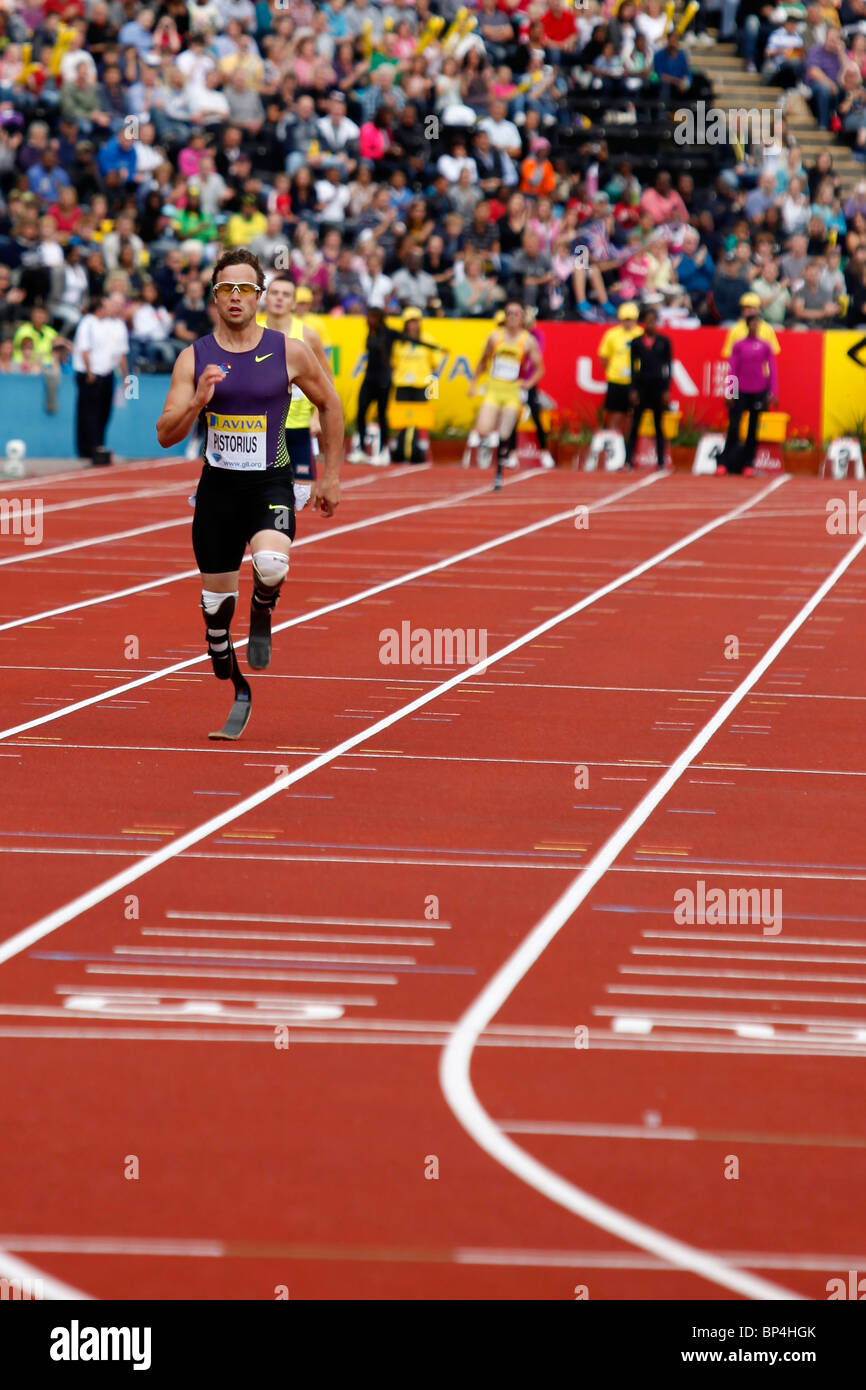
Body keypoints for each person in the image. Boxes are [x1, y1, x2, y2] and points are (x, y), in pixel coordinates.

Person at [155, 248, 343, 740]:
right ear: (214, 296)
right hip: (217, 491)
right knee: (216, 608)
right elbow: (165, 434)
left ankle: (264, 605)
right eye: (225, 289)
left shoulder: (290, 351)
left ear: (259, 296)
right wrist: (198, 401)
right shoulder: (193, 357)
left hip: (270, 482)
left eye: (244, 289)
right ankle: (221, 643)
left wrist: (331, 477)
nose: (235, 297)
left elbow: (331, 403)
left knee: (273, 565)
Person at [263, 274, 333, 498]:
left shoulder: (308, 335)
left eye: (286, 295)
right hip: (263, 427)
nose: (279, 299)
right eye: (274, 293)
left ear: (293, 303)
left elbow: (327, 379)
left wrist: (317, 417)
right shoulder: (251, 331)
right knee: (264, 494)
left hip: (299, 426)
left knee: (304, 494)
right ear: (265, 297)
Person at [463, 299, 544, 484]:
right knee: (483, 430)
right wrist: (473, 384)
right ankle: (492, 451)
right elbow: (483, 361)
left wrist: (528, 383)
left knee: (505, 433)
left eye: (516, 314)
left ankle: (500, 467)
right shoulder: (495, 337)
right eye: (509, 313)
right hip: (494, 388)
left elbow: (540, 368)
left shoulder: (528, 341)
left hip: (512, 391)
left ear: (522, 318)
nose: (512, 317)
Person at [717, 292, 779, 476]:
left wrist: (773, 391)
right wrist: (730, 392)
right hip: (741, 390)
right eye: (750, 322)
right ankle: (725, 463)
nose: (754, 326)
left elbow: (772, 369)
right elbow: (732, 368)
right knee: (734, 426)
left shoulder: (765, 343)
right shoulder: (738, 343)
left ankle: (748, 464)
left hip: (759, 389)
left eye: (756, 322)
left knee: (753, 428)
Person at [71, 292, 129, 463]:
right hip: (90, 374)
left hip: (106, 373)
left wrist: (126, 376)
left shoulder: (115, 325)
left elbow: (120, 353)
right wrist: (89, 372)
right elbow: (85, 350)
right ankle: (88, 448)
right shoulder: (88, 323)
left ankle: (98, 445)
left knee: (104, 411)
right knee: (88, 412)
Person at [389, 307, 447, 463]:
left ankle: (420, 450)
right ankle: (399, 450)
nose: (413, 325)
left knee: (420, 420)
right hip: (402, 384)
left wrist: (433, 388)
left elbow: (436, 364)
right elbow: (393, 362)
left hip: (421, 384)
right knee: (401, 419)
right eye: (410, 322)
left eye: (415, 321)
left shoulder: (428, 340)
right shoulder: (400, 342)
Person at [501, 305, 555, 470]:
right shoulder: (514, 336)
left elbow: (536, 357)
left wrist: (528, 380)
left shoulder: (535, 336)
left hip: (529, 382)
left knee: (536, 416)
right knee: (512, 419)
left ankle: (545, 452)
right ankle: (511, 454)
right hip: (514, 383)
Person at [625, 305, 672, 470]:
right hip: (641, 387)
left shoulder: (664, 342)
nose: (652, 324)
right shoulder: (637, 342)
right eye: (648, 321)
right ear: (643, 323)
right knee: (635, 425)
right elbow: (633, 367)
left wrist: (666, 390)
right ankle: (628, 460)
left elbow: (668, 367)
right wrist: (633, 389)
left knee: (659, 426)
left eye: (654, 321)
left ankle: (661, 461)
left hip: (658, 388)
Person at [598, 300, 642, 443]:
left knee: (632, 417)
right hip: (616, 380)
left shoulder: (641, 334)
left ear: (635, 319)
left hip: (634, 382)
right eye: (625, 319)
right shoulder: (612, 334)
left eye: (630, 319)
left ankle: (629, 450)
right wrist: (612, 371)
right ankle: (613, 447)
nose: (628, 322)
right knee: (615, 415)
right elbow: (604, 357)